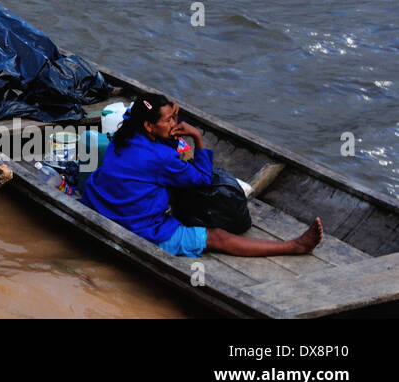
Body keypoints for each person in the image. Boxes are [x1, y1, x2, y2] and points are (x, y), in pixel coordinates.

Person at [83, 93, 323, 258]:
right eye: (169, 120)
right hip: (139, 228)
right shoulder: (161, 158)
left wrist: (168, 122)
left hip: (100, 205)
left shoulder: (124, 134)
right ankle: (293, 246)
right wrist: (196, 137)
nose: (174, 123)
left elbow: (140, 121)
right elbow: (202, 178)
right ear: (148, 126)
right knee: (218, 238)